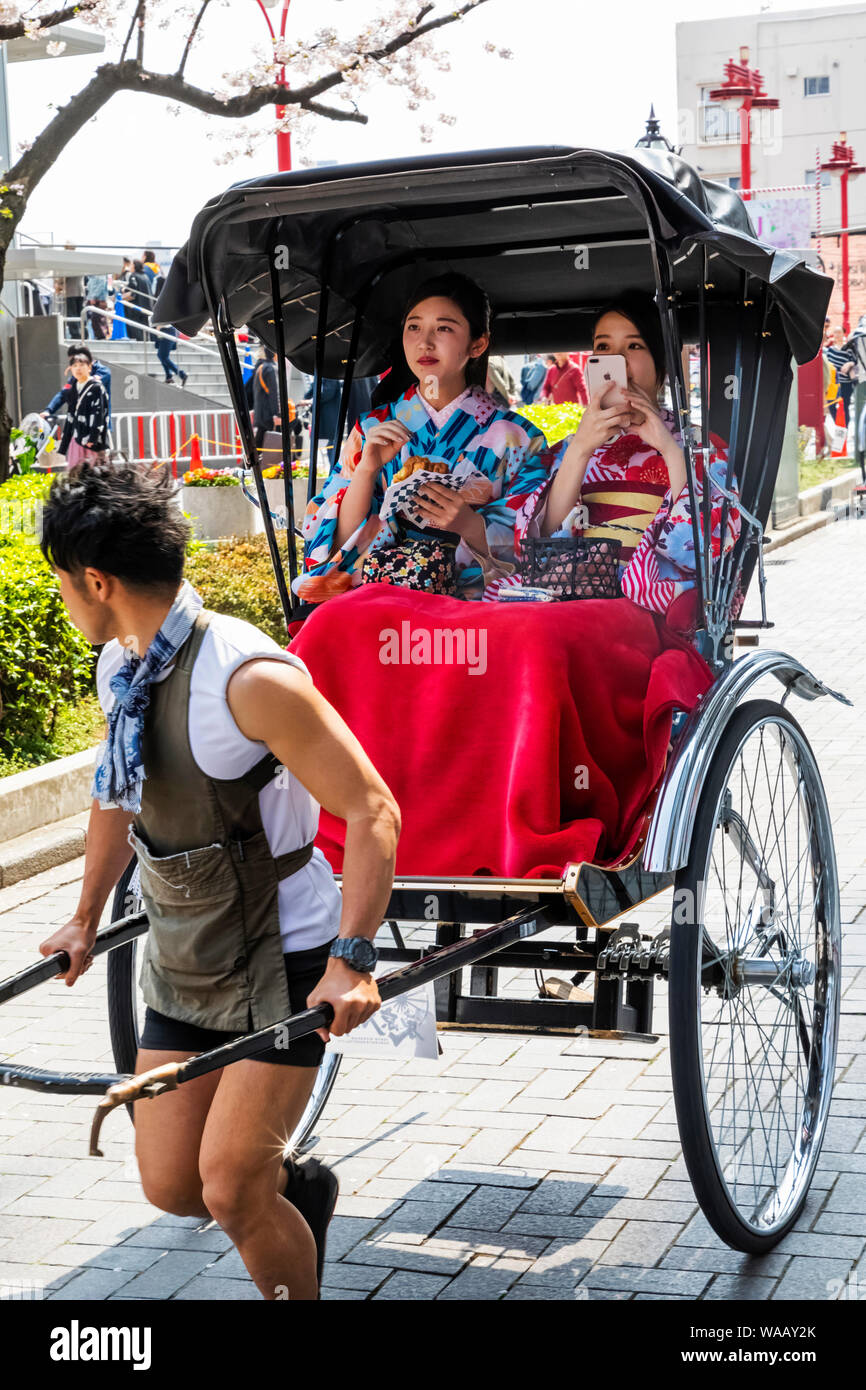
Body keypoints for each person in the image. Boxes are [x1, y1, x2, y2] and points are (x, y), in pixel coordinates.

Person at [37, 459, 401, 1300]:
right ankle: (300, 1192)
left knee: (230, 1188)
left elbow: (372, 809)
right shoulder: (124, 668)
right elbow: (116, 797)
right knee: (172, 1185)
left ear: (97, 580)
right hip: (187, 952)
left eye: (63, 585)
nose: (65, 601)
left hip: (289, 957)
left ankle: (279, 1237)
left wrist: (352, 957)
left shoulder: (248, 677)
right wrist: (83, 918)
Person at [298, 271, 549, 602]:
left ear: (478, 344)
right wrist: (366, 471)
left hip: (476, 609)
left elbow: (540, 543)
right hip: (380, 601)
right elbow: (332, 545)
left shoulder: (519, 438)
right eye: (414, 327)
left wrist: (470, 525)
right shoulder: (370, 428)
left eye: (443, 328)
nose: (424, 342)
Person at [515, 292, 739, 618]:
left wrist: (668, 449)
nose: (616, 360)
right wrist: (580, 450)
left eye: (634, 346)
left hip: (651, 606)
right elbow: (535, 544)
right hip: (572, 598)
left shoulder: (702, 447)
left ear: (662, 362)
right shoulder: (565, 449)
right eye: (603, 347)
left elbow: (705, 549)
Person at [48, 346, 110, 465]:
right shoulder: (72, 388)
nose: (78, 369)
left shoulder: (97, 385)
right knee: (75, 475)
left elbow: (98, 414)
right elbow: (70, 417)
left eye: (81, 365)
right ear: (70, 368)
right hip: (77, 439)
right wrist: (64, 445)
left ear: (89, 366)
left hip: (92, 441)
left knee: (94, 474)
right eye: (74, 365)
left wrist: (93, 438)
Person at [43, 345, 112, 426]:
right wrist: (48, 410)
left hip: (98, 425)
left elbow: (89, 386)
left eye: (75, 363)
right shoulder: (74, 378)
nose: (73, 367)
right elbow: (63, 394)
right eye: (73, 364)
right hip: (80, 426)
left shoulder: (103, 372)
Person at [824, 325, 857, 428]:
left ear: (843, 334)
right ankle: (839, 426)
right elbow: (827, 365)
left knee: (845, 406)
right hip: (833, 383)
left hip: (846, 383)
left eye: (839, 332)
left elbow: (854, 361)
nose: (837, 335)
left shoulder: (849, 349)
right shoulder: (830, 350)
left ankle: (845, 428)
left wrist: (849, 364)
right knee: (832, 405)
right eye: (835, 333)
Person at [123, 259, 153, 341]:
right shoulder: (145, 276)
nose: (130, 267)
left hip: (137, 309)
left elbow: (132, 294)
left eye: (131, 265)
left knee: (137, 331)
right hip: (147, 307)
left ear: (135, 266)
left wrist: (120, 297)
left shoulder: (134, 276)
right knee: (144, 330)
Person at [155, 321, 188, 387]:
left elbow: (160, 319)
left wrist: (158, 330)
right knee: (161, 355)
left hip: (167, 330)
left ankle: (181, 374)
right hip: (168, 330)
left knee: (163, 356)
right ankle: (169, 377)